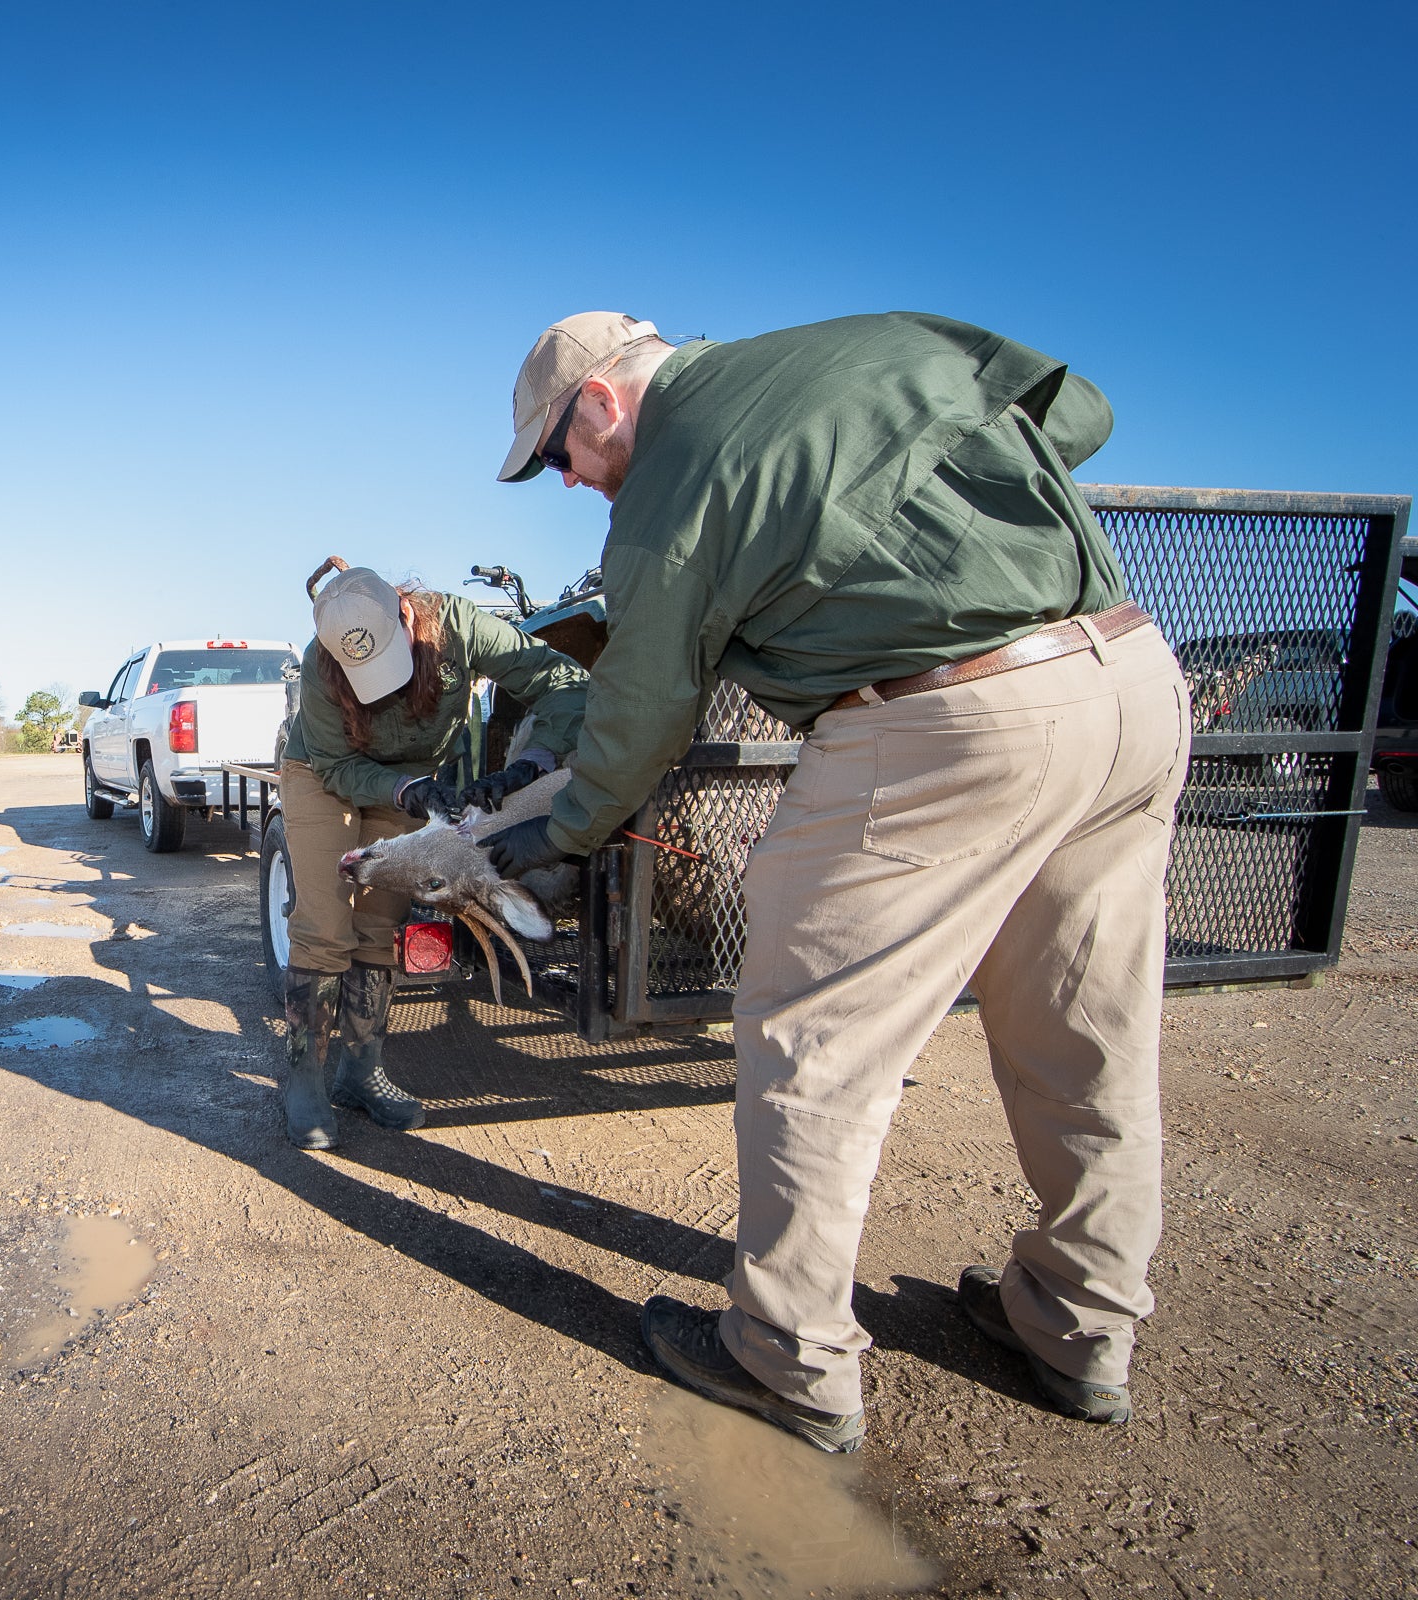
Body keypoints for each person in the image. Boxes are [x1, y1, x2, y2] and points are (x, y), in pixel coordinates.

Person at [490, 311, 1190, 1453]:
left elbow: (643, 709)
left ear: (604, 402)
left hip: (943, 722)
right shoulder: (885, 338)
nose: (568, 482)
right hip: (1128, 680)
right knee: (1089, 1031)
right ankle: (1080, 1325)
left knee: (815, 1044)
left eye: (559, 456)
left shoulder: (671, 482)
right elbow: (1080, 417)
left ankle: (788, 1357)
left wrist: (567, 833)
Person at [278, 560, 591, 1149]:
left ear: (405, 613)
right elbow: (337, 765)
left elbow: (563, 682)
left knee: (378, 925)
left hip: (411, 780)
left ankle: (361, 1073)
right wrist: (406, 792)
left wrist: (534, 763)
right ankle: (304, 1080)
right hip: (327, 778)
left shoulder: (460, 626)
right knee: (324, 924)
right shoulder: (322, 667)